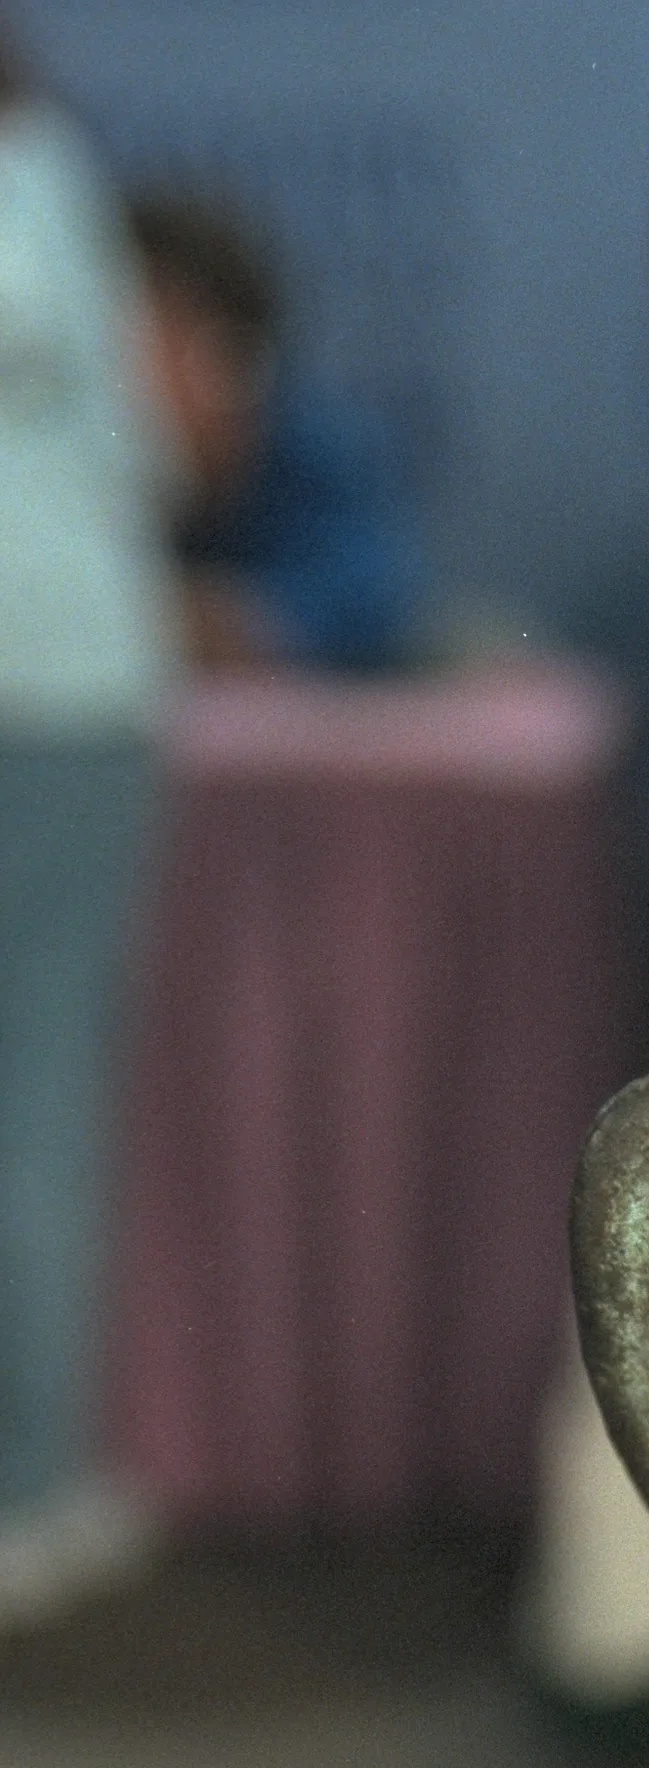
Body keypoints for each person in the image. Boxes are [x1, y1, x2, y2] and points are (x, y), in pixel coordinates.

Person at [0, 28, 175, 1626]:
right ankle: (32, 1492)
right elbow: (148, 447)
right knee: (38, 1095)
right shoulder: (43, 175)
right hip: (66, 689)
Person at [130, 192, 423, 676]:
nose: (153, 370)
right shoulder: (53, 447)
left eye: (180, 336)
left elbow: (379, 594)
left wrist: (243, 623)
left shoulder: (314, 442)